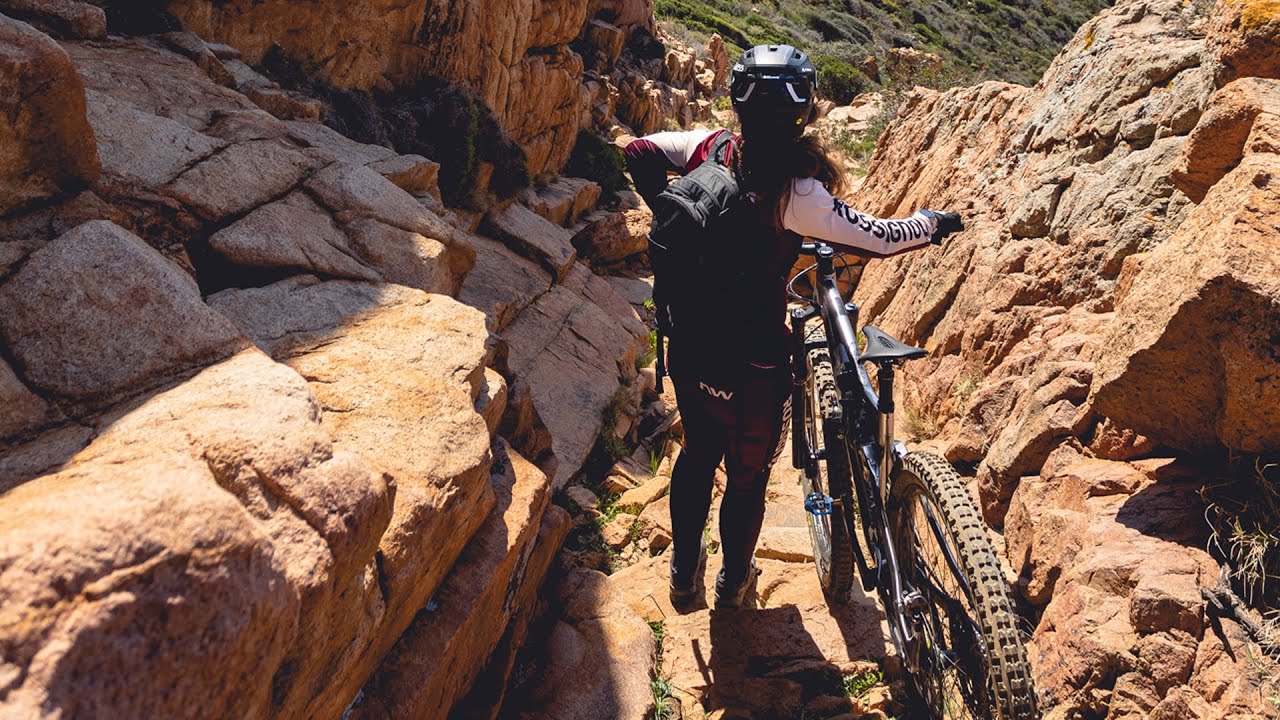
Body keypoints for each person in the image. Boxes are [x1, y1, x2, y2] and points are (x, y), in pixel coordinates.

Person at [623, 44, 962, 609]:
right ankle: (734, 581)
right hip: (754, 363)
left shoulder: (709, 150)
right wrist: (932, 222)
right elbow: (877, 239)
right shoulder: (798, 192)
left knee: (698, 451)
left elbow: (637, 150)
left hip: (689, 344)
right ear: (803, 110)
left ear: (738, 101)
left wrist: (672, 212)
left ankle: (684, 574)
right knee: (747, 476)